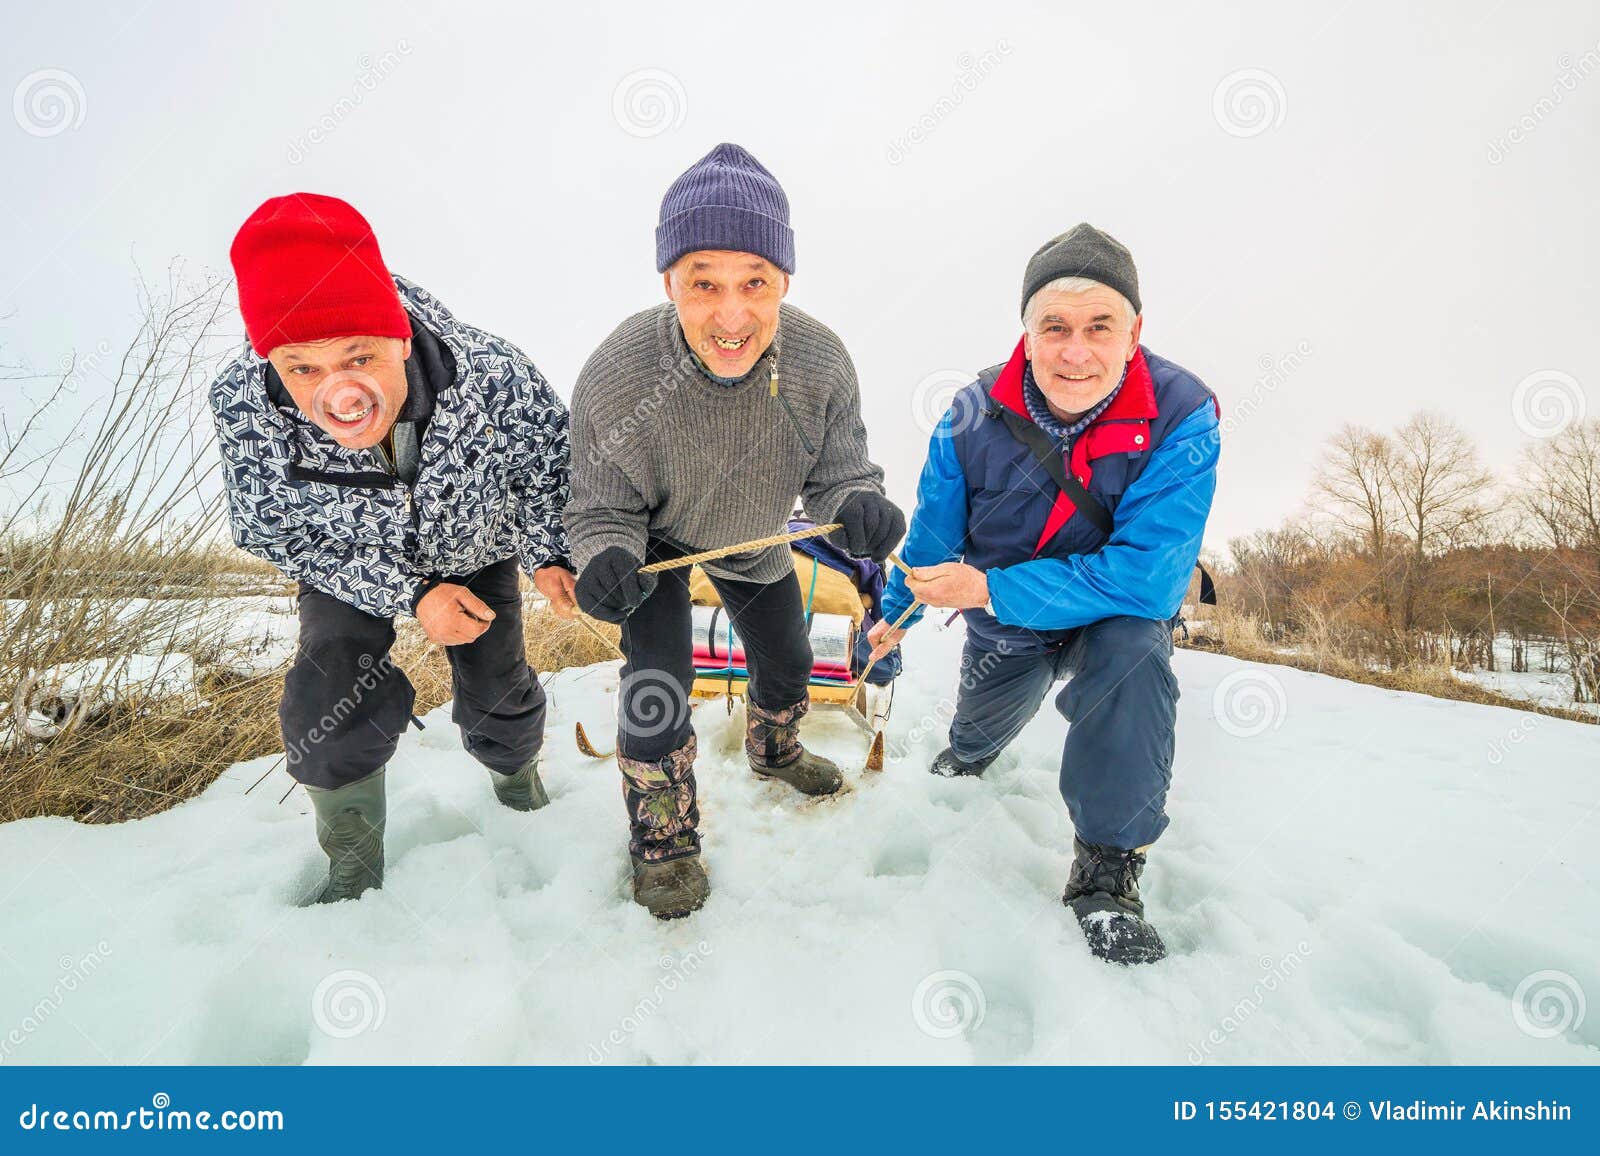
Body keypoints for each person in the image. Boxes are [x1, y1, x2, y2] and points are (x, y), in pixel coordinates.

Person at [565, 144, 905, 920]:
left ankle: (775, 747)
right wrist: (605, 556)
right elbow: (598, 506)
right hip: (650, 541)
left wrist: (858, 504)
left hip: (755, 532)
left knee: (785, 658)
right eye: (703, 283)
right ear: (668, 283)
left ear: (785, 280)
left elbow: (839, 471)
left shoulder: (819, 361)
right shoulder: (619, 374)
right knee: (658, 678)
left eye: (755, 282)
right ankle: (664, 833)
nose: (731, 314)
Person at [867, 224, 1220, 963]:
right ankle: (966, 757)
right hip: (1006, 630)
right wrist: (893, 615)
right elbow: (932, 540)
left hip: (1105, 617)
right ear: (1026, 333)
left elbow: (1147, 580)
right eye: (1053, 327)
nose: (1075, 350)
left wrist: (989, 588)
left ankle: (1106, 871)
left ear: (1136, 332)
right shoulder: (971, 412)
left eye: (1100, 327)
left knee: (1133, 654)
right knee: (976, 738)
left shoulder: (1184, 416)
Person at [211, 193, 575, 904]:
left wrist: (551, 552)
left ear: (401, 337)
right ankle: (352, 863)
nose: (337, 393)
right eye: (302, 369)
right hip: (348, 559)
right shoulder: (243, 401)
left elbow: (549, 470)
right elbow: (267, 526)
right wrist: (410, 593)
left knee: (496, 689)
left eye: (359, 356)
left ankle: (518, 786)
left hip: (475, 542)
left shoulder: (491, 370)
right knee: (326, 696)